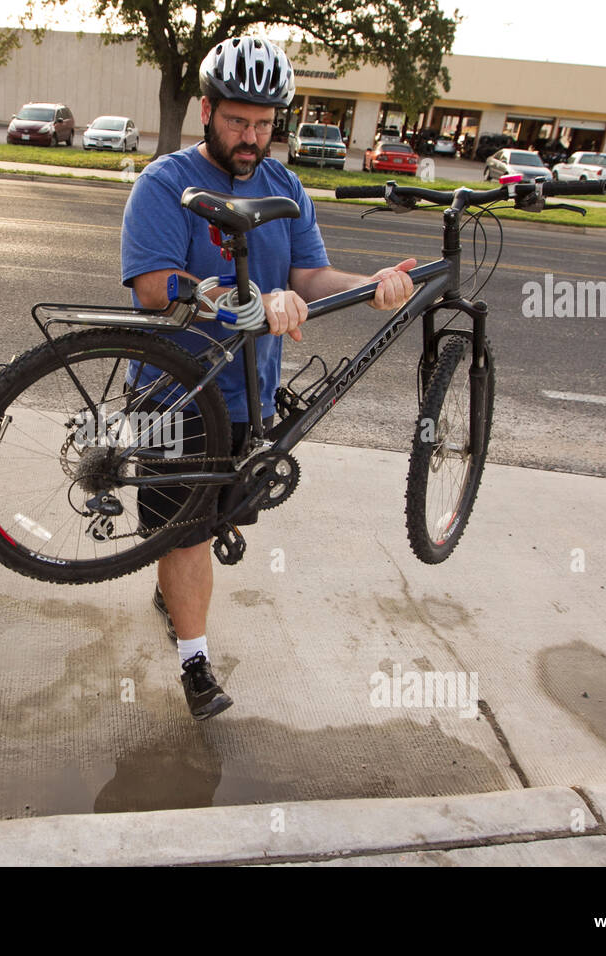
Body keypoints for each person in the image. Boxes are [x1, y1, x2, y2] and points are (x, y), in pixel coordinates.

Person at [120, 35, 417, 720]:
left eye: (263, 123)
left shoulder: (284, 187)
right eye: (236, 121)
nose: (252, 137)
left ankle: (173, 589)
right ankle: (195, 661)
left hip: (246, 393)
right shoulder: (165, 184)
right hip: (177, 392)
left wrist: (368, 283)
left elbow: (309, 274)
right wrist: (239, 300)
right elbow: (154, 286)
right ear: (206, 110)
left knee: (209, 521)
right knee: (189, 535)